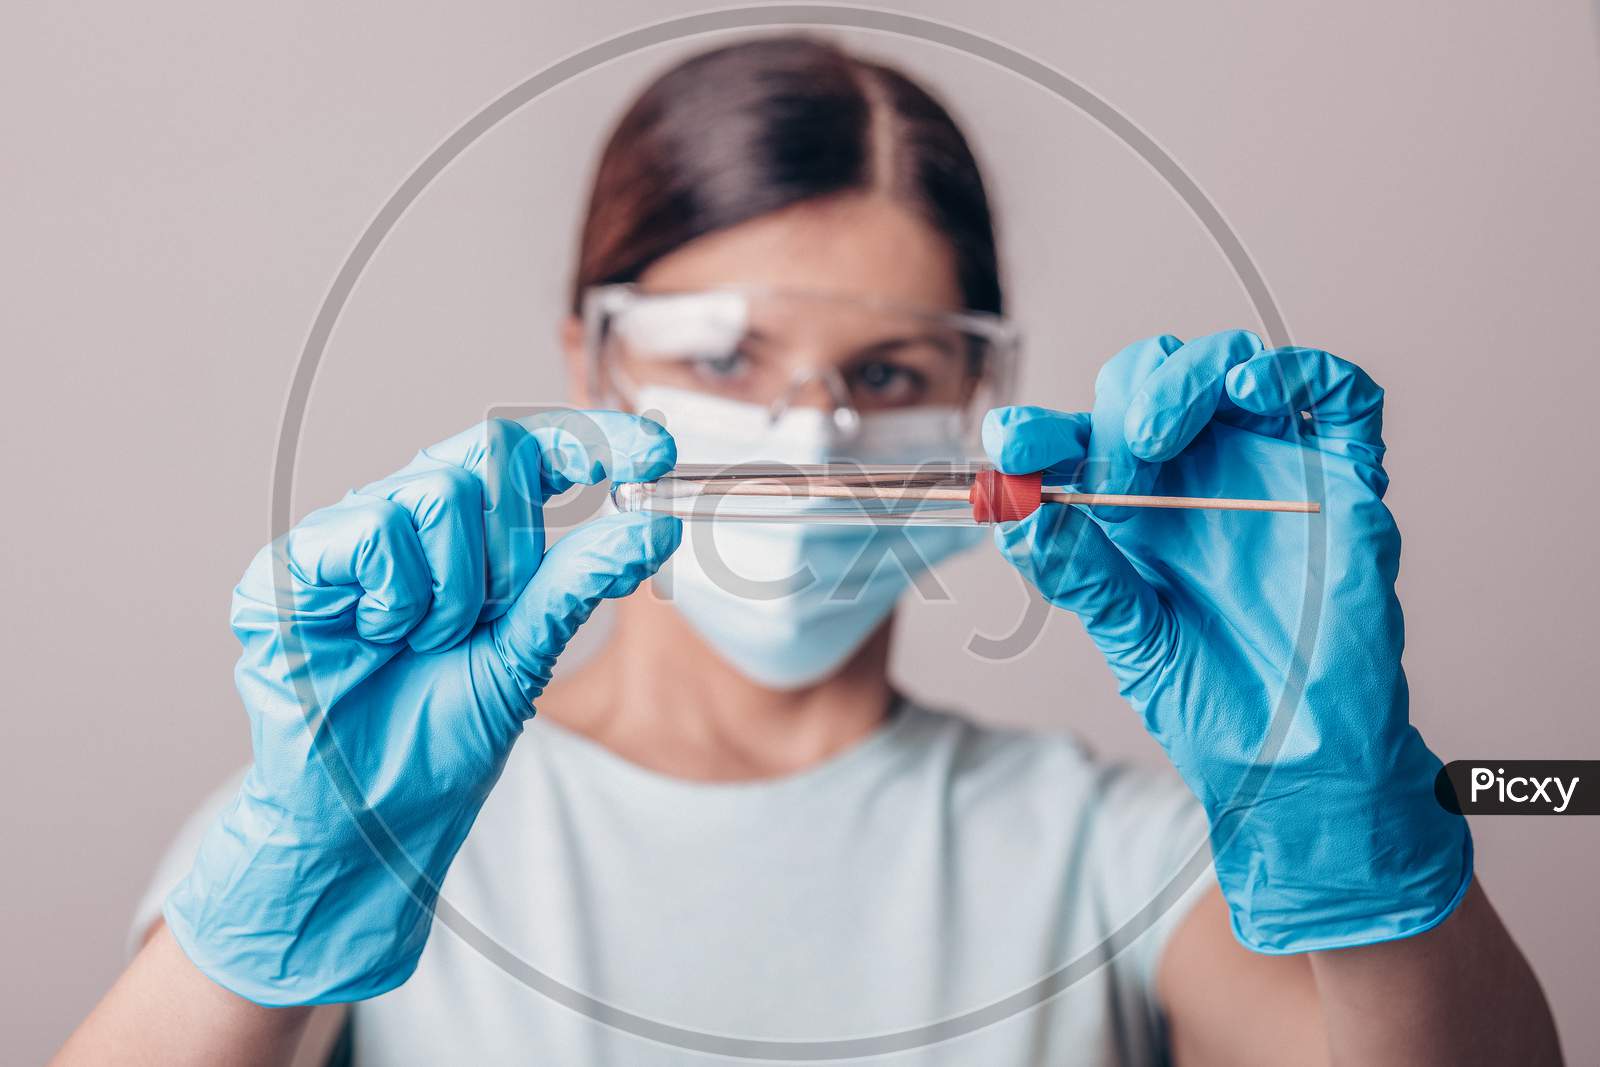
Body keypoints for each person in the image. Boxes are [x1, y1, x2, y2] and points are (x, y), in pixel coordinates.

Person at [54, 36, 1560, 1066]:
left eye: (888, 373)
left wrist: (1355, 835)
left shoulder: (1115, 854)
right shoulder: (363, 804)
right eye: (725, 358)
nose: (814, 435)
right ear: (591, 362)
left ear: (979, 398)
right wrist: (273, 920)